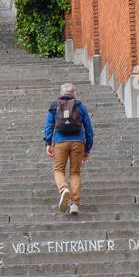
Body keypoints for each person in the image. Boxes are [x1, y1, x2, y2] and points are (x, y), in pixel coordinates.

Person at [44, 83, 94, 216]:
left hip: (60, 142)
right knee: (75, 172)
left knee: (59, 169)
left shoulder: (55, 105)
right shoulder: (80, 106)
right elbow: (89, 129)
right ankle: (74, 204)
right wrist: (87, 149)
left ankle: (63, 189)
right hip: (78, 142)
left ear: (61, 94)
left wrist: (48, 143)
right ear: (74, 93)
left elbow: (49, 126)